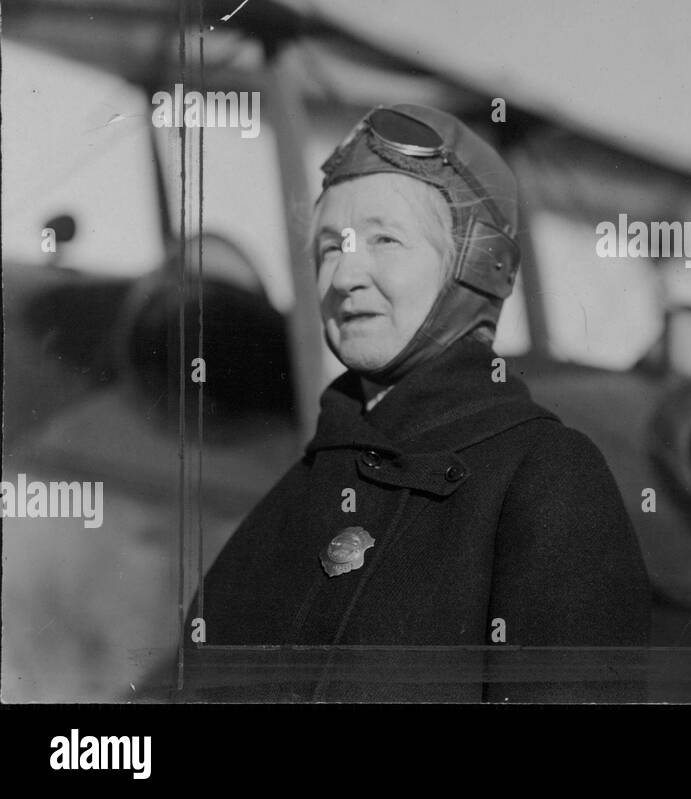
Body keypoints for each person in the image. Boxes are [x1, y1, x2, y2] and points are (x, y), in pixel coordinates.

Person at [186, 104, 651, 702]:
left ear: (475, 264)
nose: (345, 274)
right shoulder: (299, 491)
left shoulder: (546, 476)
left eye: (385, 239)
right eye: (331, 246)